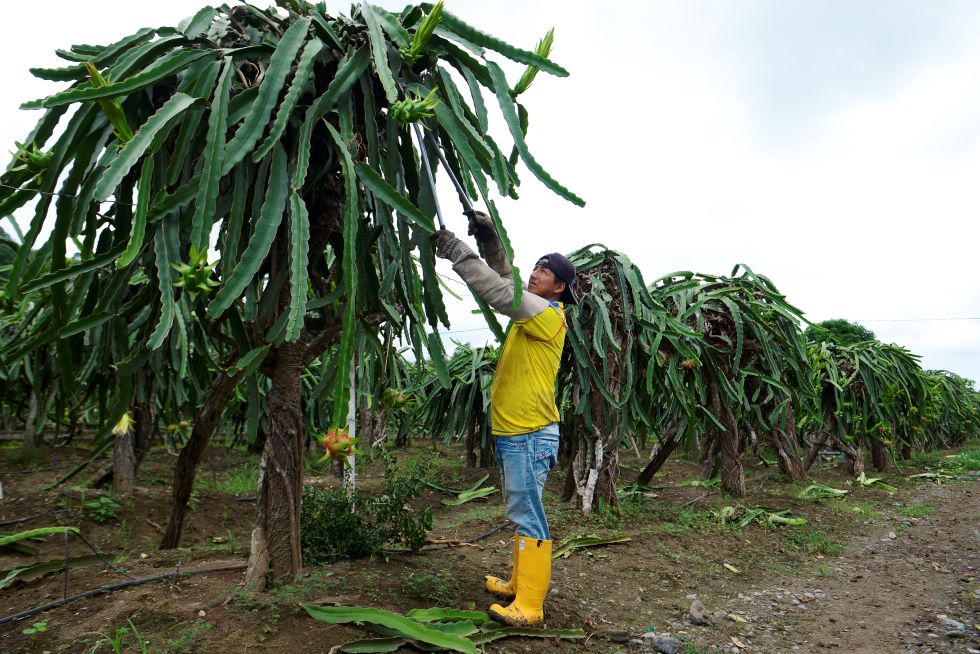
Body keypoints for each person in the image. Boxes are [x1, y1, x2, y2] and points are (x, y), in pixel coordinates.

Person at [434, 211, 576, 627]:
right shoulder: (531, 311)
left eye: (545, 272)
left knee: (528, 514)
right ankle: (519, 586)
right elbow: (507, 278)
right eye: (535, 267)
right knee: (523, 512)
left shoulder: (548, 316)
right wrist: (489, 239)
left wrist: (460, 254)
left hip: (530, 432)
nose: (535, 274)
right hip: (519, 431)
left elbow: (500, 291)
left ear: (560, 287)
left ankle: (530, 606)